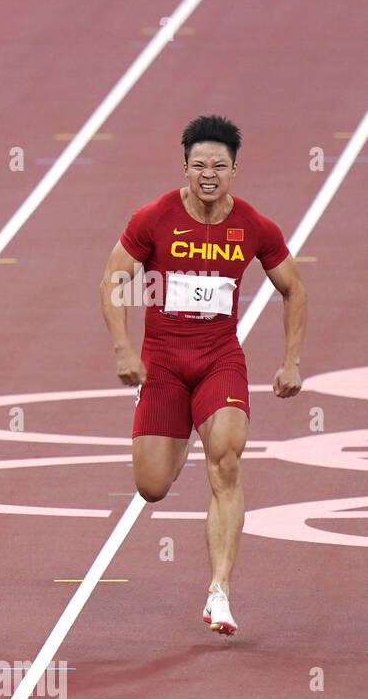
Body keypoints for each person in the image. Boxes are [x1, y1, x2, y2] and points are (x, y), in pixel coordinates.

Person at [98, 114, 306, 636]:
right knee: (151, 488)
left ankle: (219, 591)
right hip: (164, 362)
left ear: (235, 170)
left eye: (219, 165)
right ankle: (187, 432)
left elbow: (294, 290)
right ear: (184, 168)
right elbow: (112, 279)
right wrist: (124, 349)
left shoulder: (254, 226)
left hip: (220, 359)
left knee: (228, 464)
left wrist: (291, 360)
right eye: (198, 165)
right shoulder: (154, 218)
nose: (208, 174)